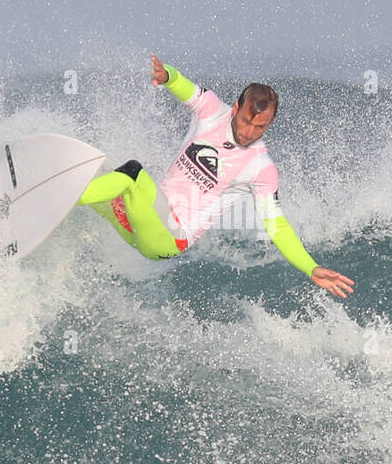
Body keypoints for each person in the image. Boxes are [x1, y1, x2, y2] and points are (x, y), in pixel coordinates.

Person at [78, 55, 355, 299]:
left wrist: (310, 267)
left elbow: (277, 226)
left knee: (132, 173)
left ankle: (64, 195)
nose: (249, 132)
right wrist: (166, 76)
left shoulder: (261, 168)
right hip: (139, 225)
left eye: (260, 127)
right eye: (246, 121)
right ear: (235, 108)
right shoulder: (212, 112)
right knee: (101, 177)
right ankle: (58, 198)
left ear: (270, 124)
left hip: (169, 238)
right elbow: (183, 86)